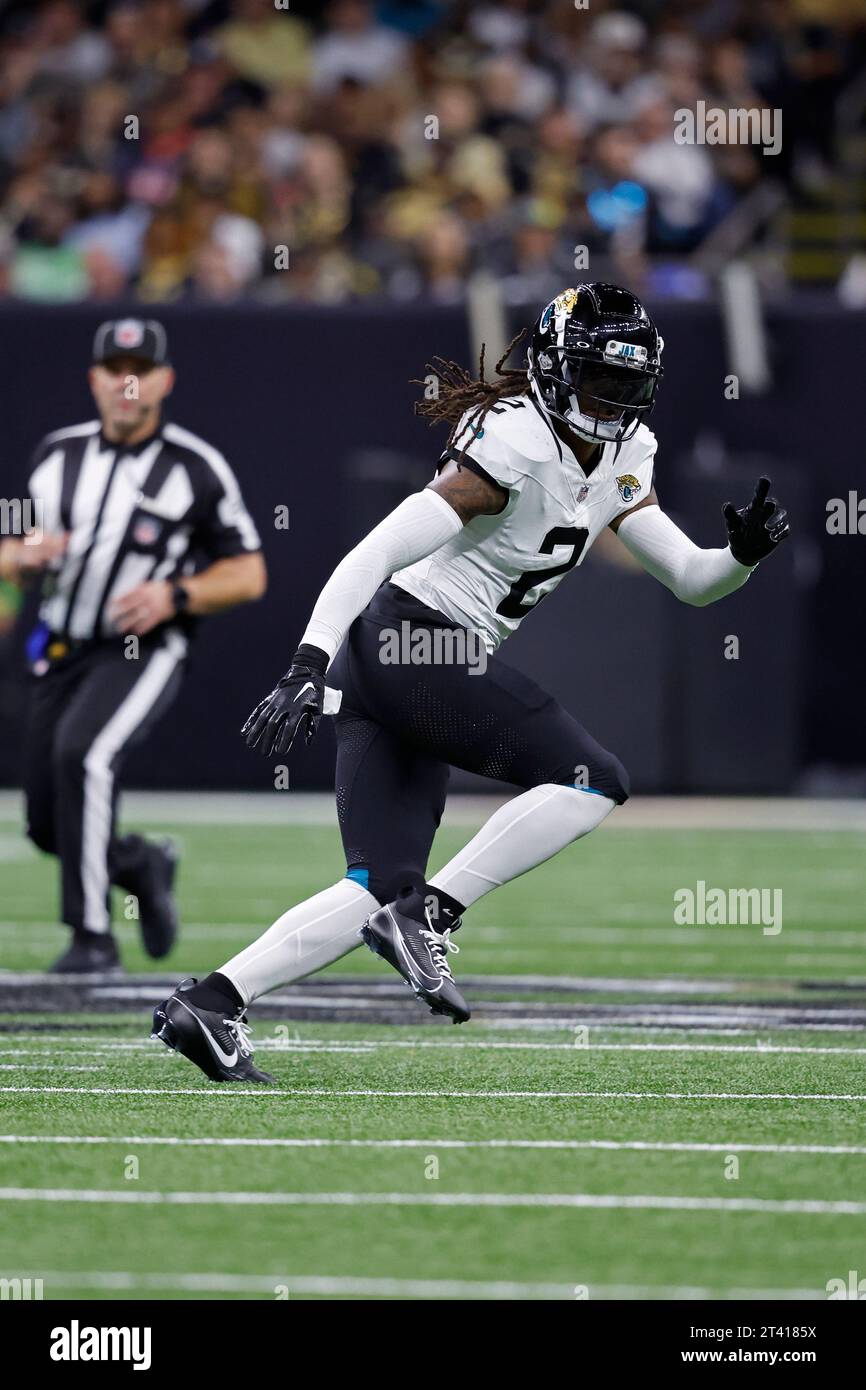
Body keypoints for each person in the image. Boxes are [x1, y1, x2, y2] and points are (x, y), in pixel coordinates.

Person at [151, 283, 788, 1083]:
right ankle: (429, 916)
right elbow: (372, 552)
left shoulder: (627, 453)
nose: (614, 402)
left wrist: (743, 557)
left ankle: (212, 1002)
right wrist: (305, 664)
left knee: (376, 885)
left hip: (402, 662)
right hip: (412, 638)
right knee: (593, 780)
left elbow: (693, 580)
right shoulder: (514, 445)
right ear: (556, 373)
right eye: (600, 381)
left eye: (628, 385)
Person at [0, 318, 266, 973]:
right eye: (115, 370)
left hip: (143, 649)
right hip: (61, 646)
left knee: (85, 755)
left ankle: (93, 939)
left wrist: (175, 595)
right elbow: (12, 553)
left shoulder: (196, 468)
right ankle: (140, 865)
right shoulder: (56, 456)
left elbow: (249, 573)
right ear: (94, 379)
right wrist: (23, 557)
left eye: (141, 370)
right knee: (43, 822)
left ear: (164, 380)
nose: (128, 383)